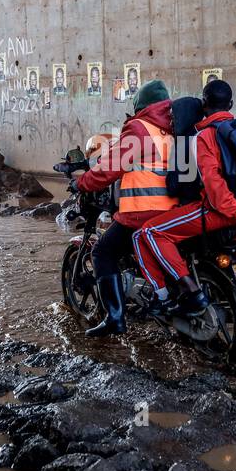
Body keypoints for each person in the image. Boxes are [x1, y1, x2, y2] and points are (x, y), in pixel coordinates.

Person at [134, 79, 236, 316]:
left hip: (224, 214)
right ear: (231, 103)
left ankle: (185, 294)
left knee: (147, 232)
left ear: (204, 103)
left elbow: (214, 185)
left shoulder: (204, 136)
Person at [73, 79, 177, 336]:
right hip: (175, 212)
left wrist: (82, 183)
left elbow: (109, 169)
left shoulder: (140, 127)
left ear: (141, 106)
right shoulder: (176, 126)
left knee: (102, 253)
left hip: (142, 212)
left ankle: (115, 318)